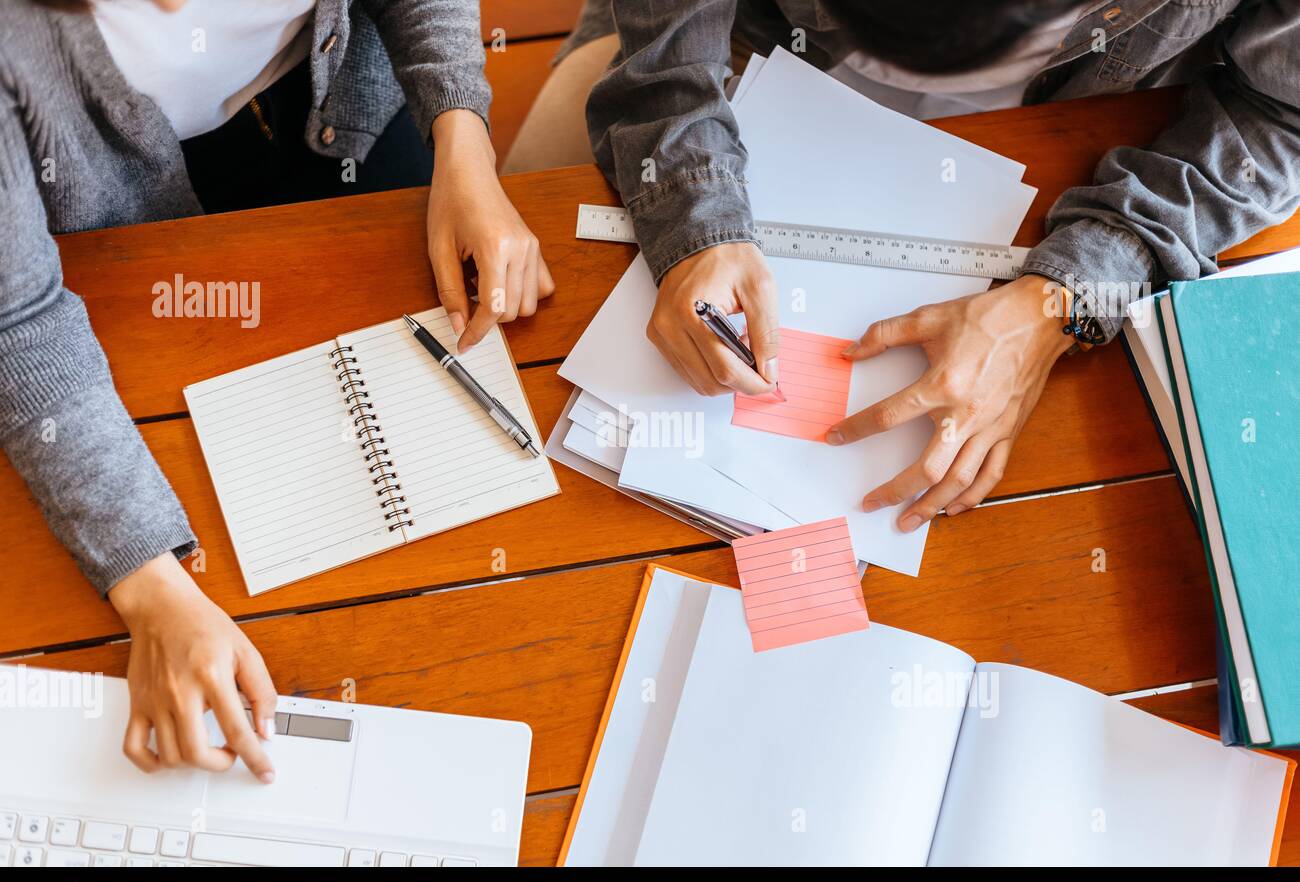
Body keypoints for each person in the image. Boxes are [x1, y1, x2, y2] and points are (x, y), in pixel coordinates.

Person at [0, 0, 553, 780]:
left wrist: (463, 140)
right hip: (120, 228)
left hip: (352, 114)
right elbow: (16, 320)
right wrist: (151, 588)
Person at [508, 0, 1299, 531]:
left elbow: (1281, 115)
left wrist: (1071, 293)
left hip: (1082, 130)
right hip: (723, 57)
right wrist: (690, 209)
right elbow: (665, 47)